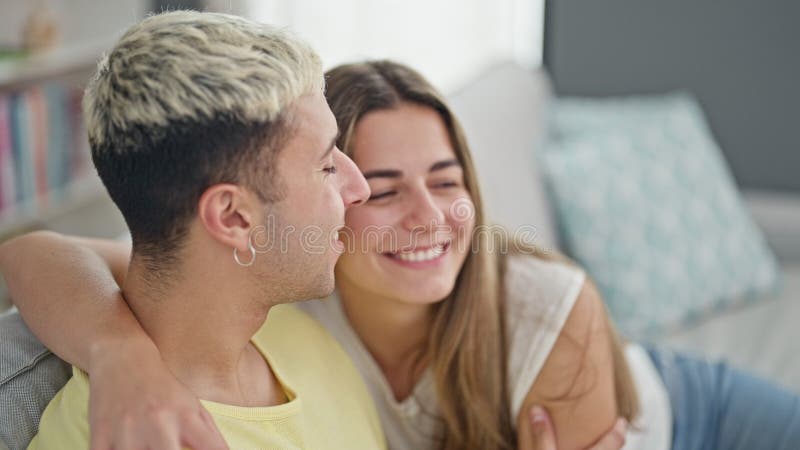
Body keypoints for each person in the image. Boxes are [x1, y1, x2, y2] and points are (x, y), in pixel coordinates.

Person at [6, 58, 796, 450]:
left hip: (692, 414)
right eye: (382, 188)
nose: (429, 218)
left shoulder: (542, 309)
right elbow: (37, 254)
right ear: (332, 193)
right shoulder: (293, 284)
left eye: (446, 180)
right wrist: (118, 355)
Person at [0, 10, 390, 450]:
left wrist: (116, 349)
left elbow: (31, 251)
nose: (359, 187)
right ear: (232, 217)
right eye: (326, 165)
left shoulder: (297, 333)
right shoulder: (118, 436)